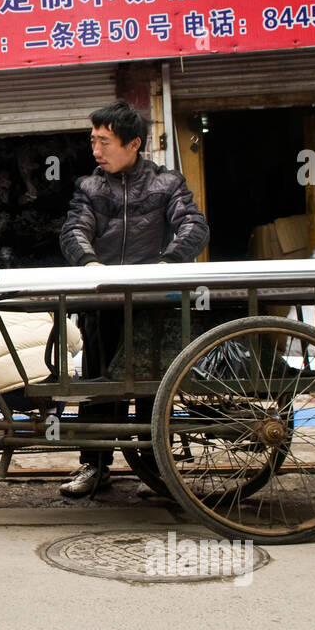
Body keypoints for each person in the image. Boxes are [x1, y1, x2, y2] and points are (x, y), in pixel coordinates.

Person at [57, 100, 209, 497]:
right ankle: (94, 465)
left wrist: (167, 263)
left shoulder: (167, 184)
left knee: (151, 385)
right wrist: (89, 263)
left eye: (104, 142)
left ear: (134, 143)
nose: (96, 151)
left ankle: (158, 468)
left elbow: (193, 226)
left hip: (153, 306)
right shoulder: (89, 187)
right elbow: (74, 229)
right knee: (98, 383)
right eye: (93, 141)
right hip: (103, 304)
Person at [0, 310, 82, 415]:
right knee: (68, 373)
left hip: (11, 396)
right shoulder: (42, 302)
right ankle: (52, 412)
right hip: (54, 389)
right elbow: (75, 345)